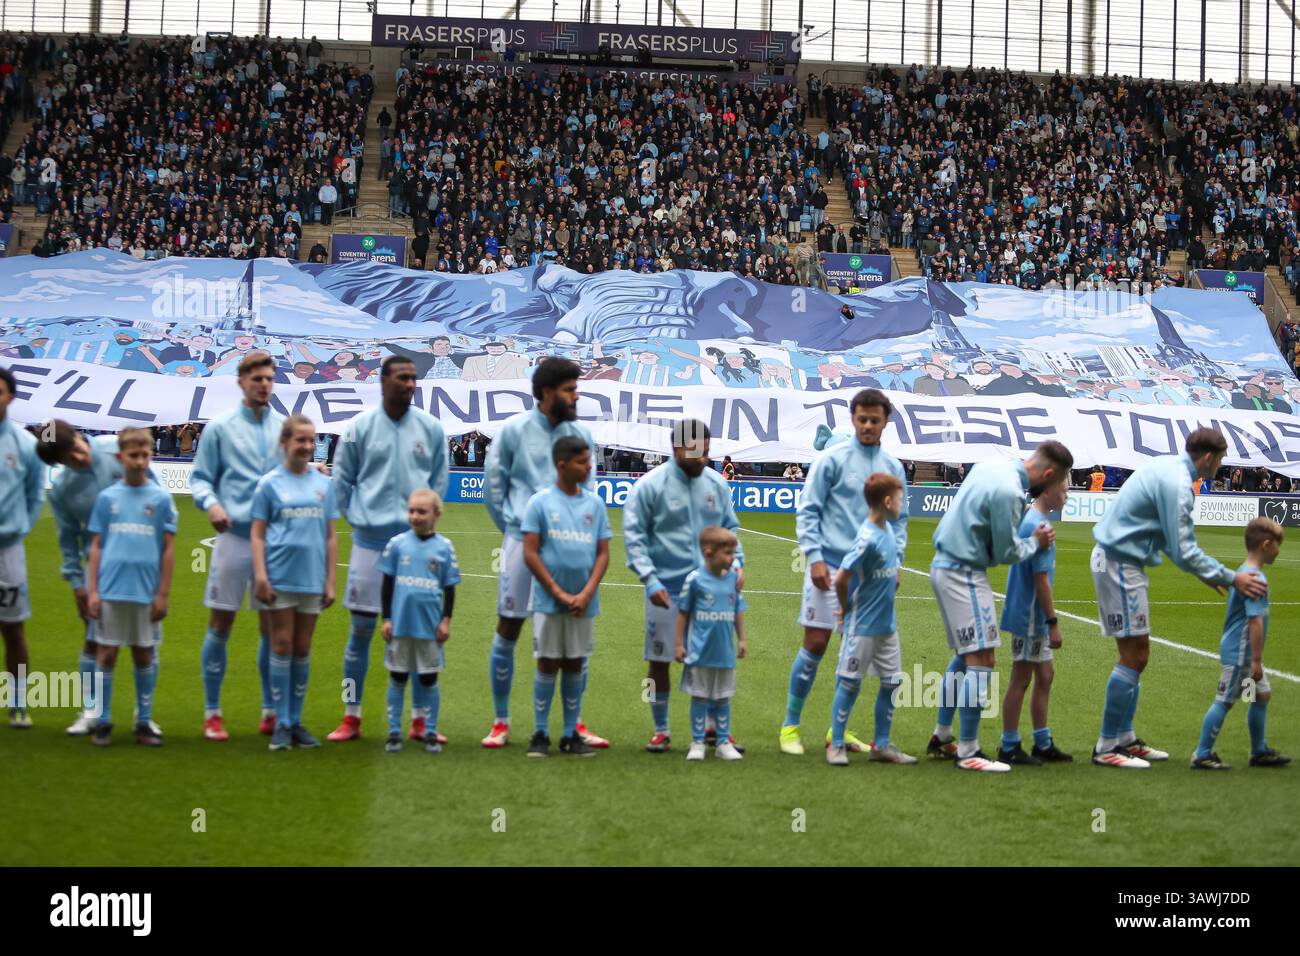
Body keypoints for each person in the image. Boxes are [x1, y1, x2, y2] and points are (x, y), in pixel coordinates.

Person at [1090, 428, 1268, 769]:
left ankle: (1124, 738)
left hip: (1120, 560)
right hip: (1119, 563)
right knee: (1134, 655)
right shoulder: (1177, 485)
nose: (1219, 466)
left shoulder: (1167, 468)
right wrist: (1230, 577)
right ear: (1207, 458)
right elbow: (1183, 547)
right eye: (1219, 459)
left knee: (1135, 655)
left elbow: (1174, 544)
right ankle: (1107, 745)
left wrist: (1206, 573)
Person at [480, 357, 606, 749]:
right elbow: (493, 488)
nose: (576, 395)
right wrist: (518, 533)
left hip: (573, 545)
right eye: (570, 389)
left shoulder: (580, 431)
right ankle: (501, 721)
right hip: (523, 542)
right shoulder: (514, 430)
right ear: (548, 392)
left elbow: (590, 487)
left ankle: (574, 724)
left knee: (574, 633)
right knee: (509, 627)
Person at [928, 440, 1070, 772]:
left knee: (965, 656)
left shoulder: (993, 465)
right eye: (1053, 483)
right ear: (1048, 474)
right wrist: (1035, 542)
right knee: (984, 658)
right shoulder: (1010, 491)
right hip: (964, 570)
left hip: (945, 564)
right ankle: (969, 750)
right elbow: (1008, 553)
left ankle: (943, 735)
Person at [327, 356, 448, 742]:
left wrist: (422, 524)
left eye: (413, 378)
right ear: (382, 381)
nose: (409, 384)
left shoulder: (430, 428)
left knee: (417, 634)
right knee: (361, 631)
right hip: (370, 543)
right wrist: (358, 517)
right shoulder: (359, 427)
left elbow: (438, 481)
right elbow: (342, 479)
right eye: (402, 378)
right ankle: (351, 715)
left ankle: (418, 720)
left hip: (415, 545)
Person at [783, 389, 909, 756]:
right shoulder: (832, 460)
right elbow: (808, 510)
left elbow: (899, 521)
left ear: (886, 422)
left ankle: (839, 731)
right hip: (830, 565)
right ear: (853, 419)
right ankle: (790, 726)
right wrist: (815, 558)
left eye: (875, 420)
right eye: (862, 419)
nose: (868, 426)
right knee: (816, 643)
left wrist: (895, 560)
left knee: (855, 652)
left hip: (872, 577)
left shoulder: (893, 466)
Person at [623, 419, 744, 752]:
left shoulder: (716, 485)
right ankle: (660, 729)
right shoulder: (650, 486)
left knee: (709, 659)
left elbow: (730, 528)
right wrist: (649, 580)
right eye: (696, 451)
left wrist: (738, 564)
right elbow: (634, 538)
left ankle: (712, 729)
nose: (703, 458)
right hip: (665, 589)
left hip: (710, 588)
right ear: (677, 448)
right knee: (658, 660)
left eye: (707, 451)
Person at [38, 421, 161, 736]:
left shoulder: (114, 446)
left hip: (141, 564)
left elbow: (156, 494)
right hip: (100, 573)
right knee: (95, 640)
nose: (79, 457)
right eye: (69, 457)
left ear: (82, 437)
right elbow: (68, 540)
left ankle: (144, 717)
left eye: (78, 448)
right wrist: (78, 583)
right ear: (58, 464)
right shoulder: (64, 490)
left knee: (145, 642)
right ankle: (92, 713)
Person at [190, 352, 284, 741]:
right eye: (257, 378)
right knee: (220, 623)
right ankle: (213, 712)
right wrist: (211, 504)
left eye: (269, 378)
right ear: (241, 381)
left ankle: (270, 710)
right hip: (233, 537)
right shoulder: (220, 428)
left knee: (270, 627)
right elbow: (200, 479)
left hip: (275, 540)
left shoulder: (284, 427)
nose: (264, 384)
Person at [520, 436, 612, 758]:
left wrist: (586, 592)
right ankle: (540, 733)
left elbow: (603, 554)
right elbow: (530, 553)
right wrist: (557, 592)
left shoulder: (595, 505)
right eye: (582, 462)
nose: (589, 467)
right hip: (548, 601)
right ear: (562, 466)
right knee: (547, 662)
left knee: (575, 663)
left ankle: (571, 733)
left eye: (589, 461)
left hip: (583, 603)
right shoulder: (540, 503)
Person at [250, 414, 338, 751]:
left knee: (302, 648)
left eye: (310, 440)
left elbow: (331, 537)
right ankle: (282, 722)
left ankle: (296, 720)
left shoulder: (323, 485)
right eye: (299, 440)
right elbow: (257, 535)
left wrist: (331, 580)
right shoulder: (270, 484)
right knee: (282, 644)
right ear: (284, 442)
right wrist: (259, 575)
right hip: (278, 575)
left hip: (311, 577)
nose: (306, 446)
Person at [84, 428, 176, 747]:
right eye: (133, 456)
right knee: (106, 653)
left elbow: (168, 548)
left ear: (151, 456)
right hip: (111, 589)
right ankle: (104, 719)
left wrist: (163, 593)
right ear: (121, 458)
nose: (139, 461)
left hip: (146, 590)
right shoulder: (108, 498)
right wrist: (93, 591)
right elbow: (96, 545)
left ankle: (143, 721)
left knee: (144, 654)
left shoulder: (161, 498)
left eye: (144, 455)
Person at [827, 472, 916, 766]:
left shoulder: (887, 530)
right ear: (888, 501)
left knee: (891, 683)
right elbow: (841, 578)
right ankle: (836, 744)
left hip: (887, 625)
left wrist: (894, 577)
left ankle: (882, 745)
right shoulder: (867, 538)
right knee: (850, 684)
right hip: (862, 625)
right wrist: (844, 607)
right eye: (901, 498)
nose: (904, 502)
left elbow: (889, 569)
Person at [1191, 518, 1288, 770]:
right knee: (1225, 700)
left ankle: (1258, 751)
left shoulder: (1242, 572)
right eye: (1278, 545)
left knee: (1260, 696)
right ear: (1266, 545)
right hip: (1241, 653)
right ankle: (1202, 753)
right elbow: (1255, 622)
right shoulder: (1255, 580)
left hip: (1241, 651)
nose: (1279, 550)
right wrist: (1255, 660)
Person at [997, 470, 1072, 765]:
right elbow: (1041, 580)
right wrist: (1053, 623)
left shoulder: (1033, 520)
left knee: (1045, 674)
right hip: (1029, 614)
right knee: (1022, 677)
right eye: (1063, 488)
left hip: (1030, 612)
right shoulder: (1039, 525)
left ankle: (1042, 741)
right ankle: (1009, 744)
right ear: (1048, 490)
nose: (1067, 493)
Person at [380, 489, 460, 754]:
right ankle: (394, 732)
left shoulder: (444, 548)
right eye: (411, 511)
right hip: (401, 624)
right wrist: (387, 619)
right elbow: (387, 585)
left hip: (429, 626)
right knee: (398, 676)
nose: (415, 516)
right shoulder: (397, 545)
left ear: (436, 514)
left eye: (421, 511)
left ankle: (430, 731)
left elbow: (449, 589)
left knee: (428, 679)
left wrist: (445, 621)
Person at [675, 526, 747, 762]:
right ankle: (697, 742)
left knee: (723, 697)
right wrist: (678, 644)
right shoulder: (695, 580)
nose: (733, 558)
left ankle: (723, 742)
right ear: (708, 553)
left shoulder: (732, 581)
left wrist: (742, 639)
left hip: (724, 653)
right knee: (700, 697)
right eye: (728, 553)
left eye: (734, 552)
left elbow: (738, 611)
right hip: (699, 652)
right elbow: (683, 612)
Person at [0, 368, 45, 728]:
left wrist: (20, 529)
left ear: (11, 396)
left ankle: (18, 704)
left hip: (7, 552)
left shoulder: (25, 444)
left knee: (13, 630)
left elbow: (34, 496)